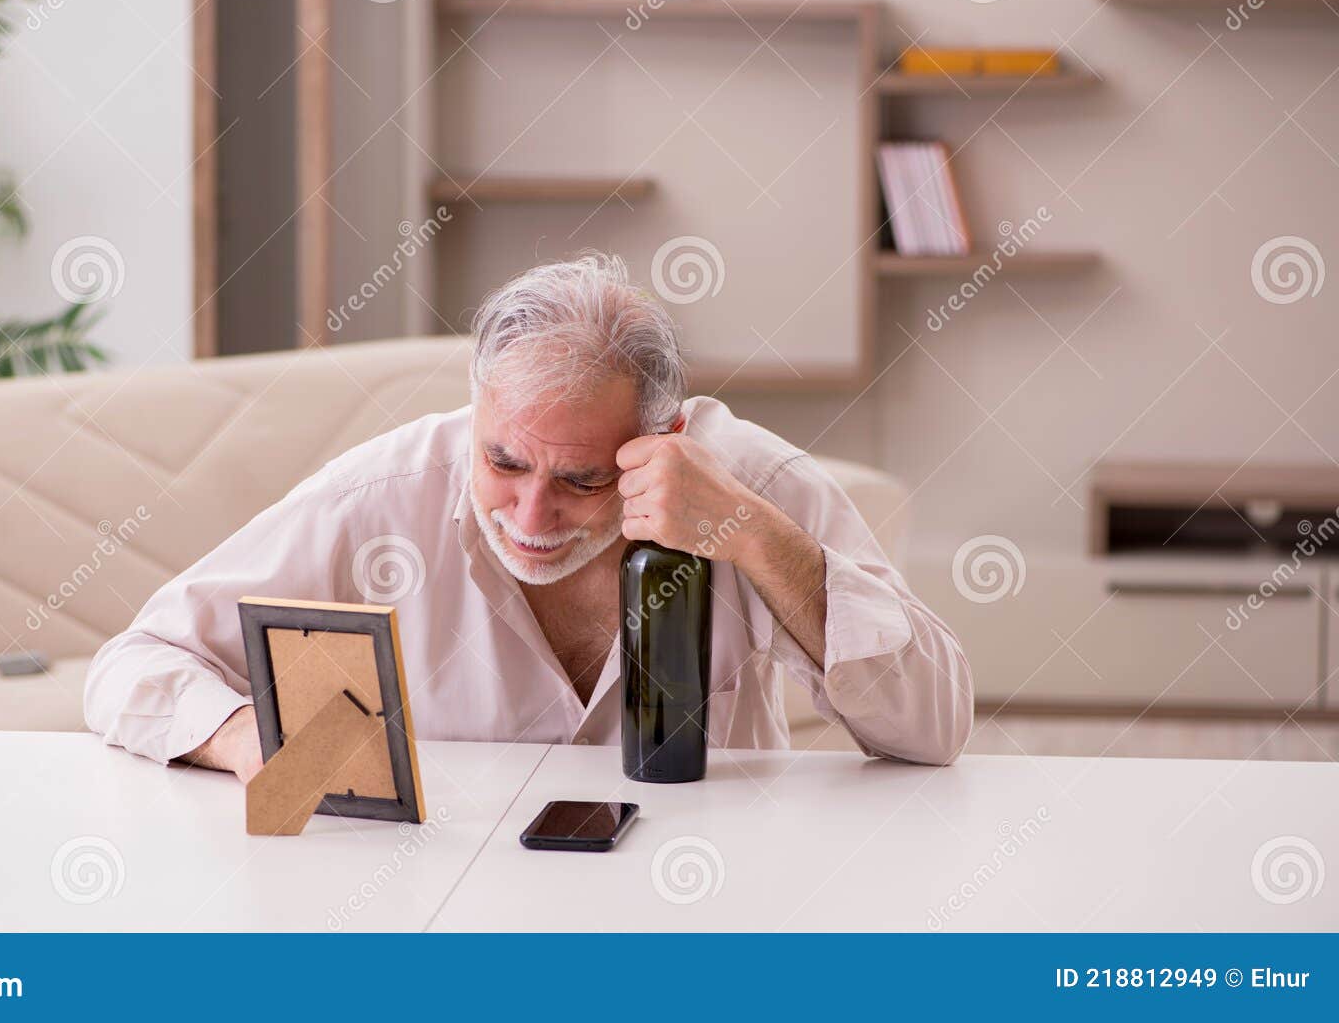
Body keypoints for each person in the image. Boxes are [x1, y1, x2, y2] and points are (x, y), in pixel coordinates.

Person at [84, 254, 972, 781]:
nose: (530, 515)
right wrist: (250, 739)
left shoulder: (751, 485)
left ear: (663, 433)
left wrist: (754, 535)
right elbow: (134, 663)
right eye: (504, 461)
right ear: (476, 409)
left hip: (700, 907)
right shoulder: (381, 495)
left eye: (583, 480)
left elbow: (932, 728)